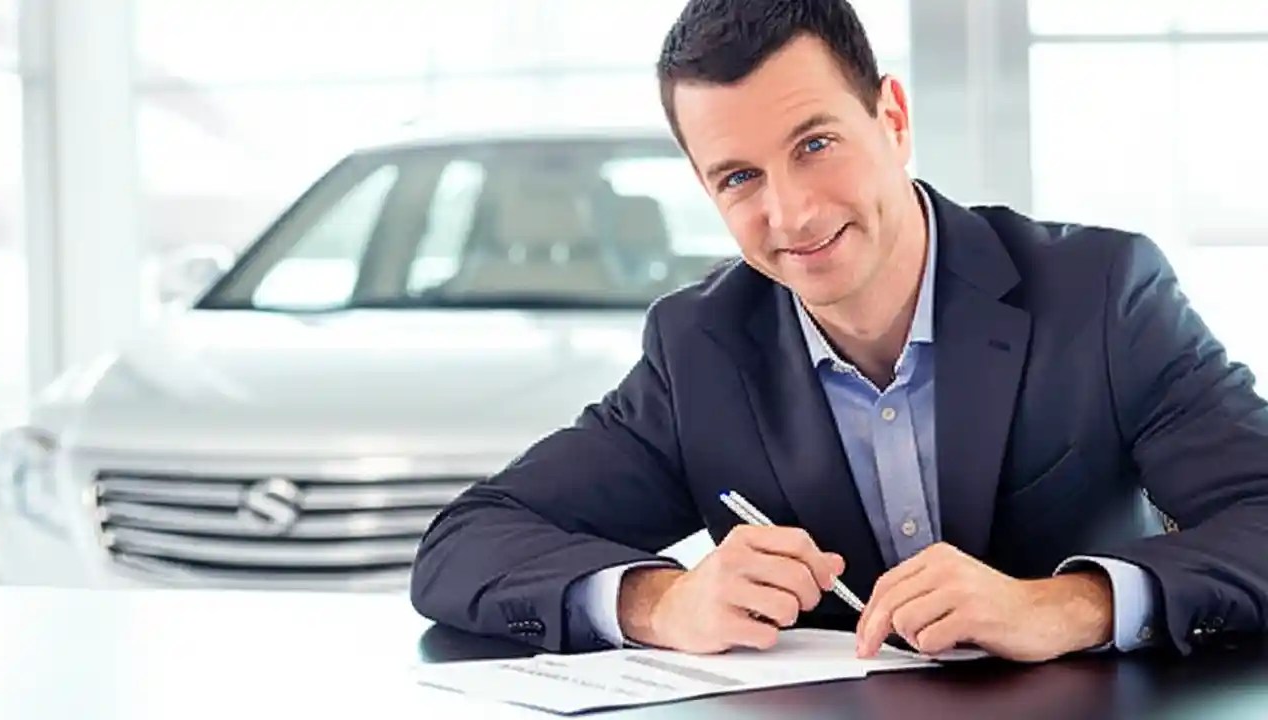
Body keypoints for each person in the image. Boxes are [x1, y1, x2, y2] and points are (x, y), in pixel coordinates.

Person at [409, 0, 1268, 661]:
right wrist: (661, 603)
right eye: (740, 176)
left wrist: (1066, 606)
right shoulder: (699, 348)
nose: (790, 213)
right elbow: (464, 546)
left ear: (892, 119)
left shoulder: (1102, 295)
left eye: (815, 144)